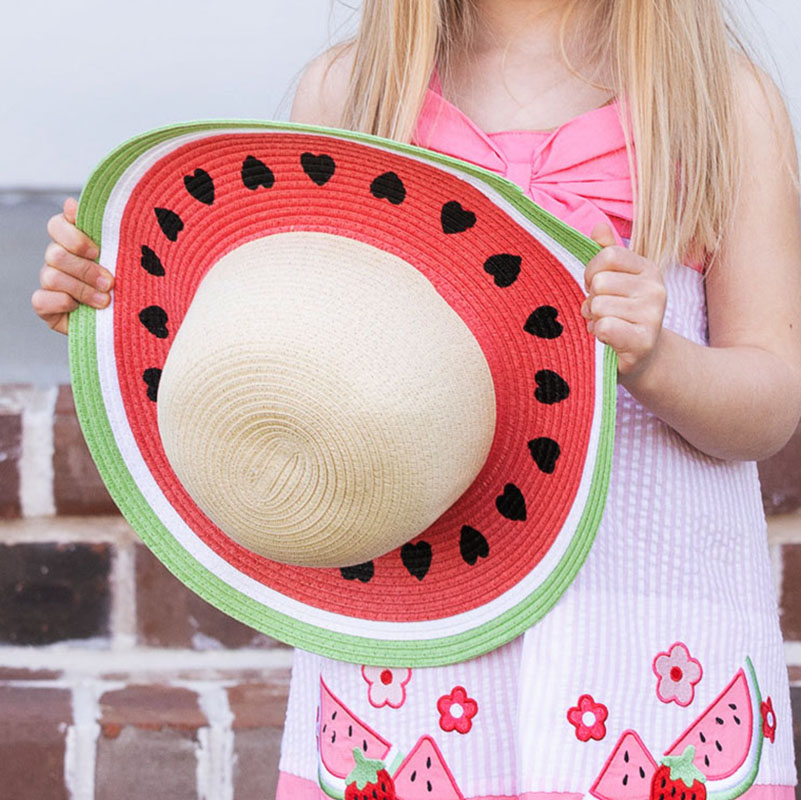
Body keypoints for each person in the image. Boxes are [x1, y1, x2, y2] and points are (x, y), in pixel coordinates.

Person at [33, 0, 801, 795]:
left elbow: (771, 401)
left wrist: (658, 360)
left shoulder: (719, 103)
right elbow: (276, 341)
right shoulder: (352, 93)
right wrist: (115, 300)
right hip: (411, 635)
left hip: (651, 633)